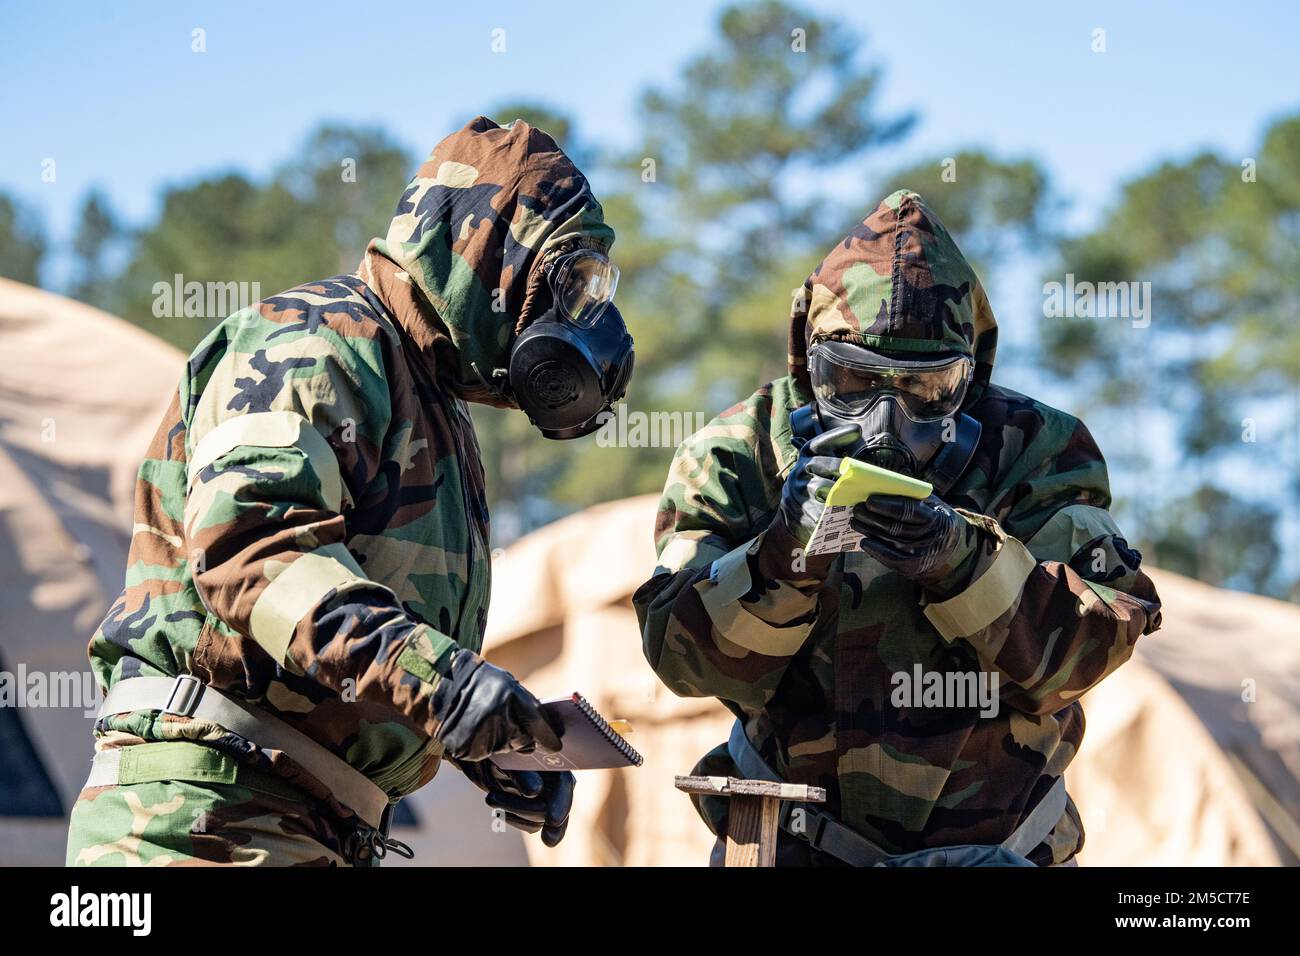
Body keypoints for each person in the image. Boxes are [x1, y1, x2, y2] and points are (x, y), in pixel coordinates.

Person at [66, 117, 634, 866]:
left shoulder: (433, 407)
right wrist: (447, 686)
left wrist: (486, 744)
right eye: (566, 280)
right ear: (487, 248)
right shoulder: (313, 339)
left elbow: (340, 645)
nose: (577, 314)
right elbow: (253, 555)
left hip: (299, 820)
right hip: (196, 821)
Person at [634, 190, 1161, 866]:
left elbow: (1088, 651)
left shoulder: (1038, 451)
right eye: (853, 382)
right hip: (789, 849)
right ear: (809, 360)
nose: (886, 421)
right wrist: (784, 555)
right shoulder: (740, 452)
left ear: (968, 378)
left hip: (996, 850)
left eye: (926, 389)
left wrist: (963, 560)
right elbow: (682, 660)